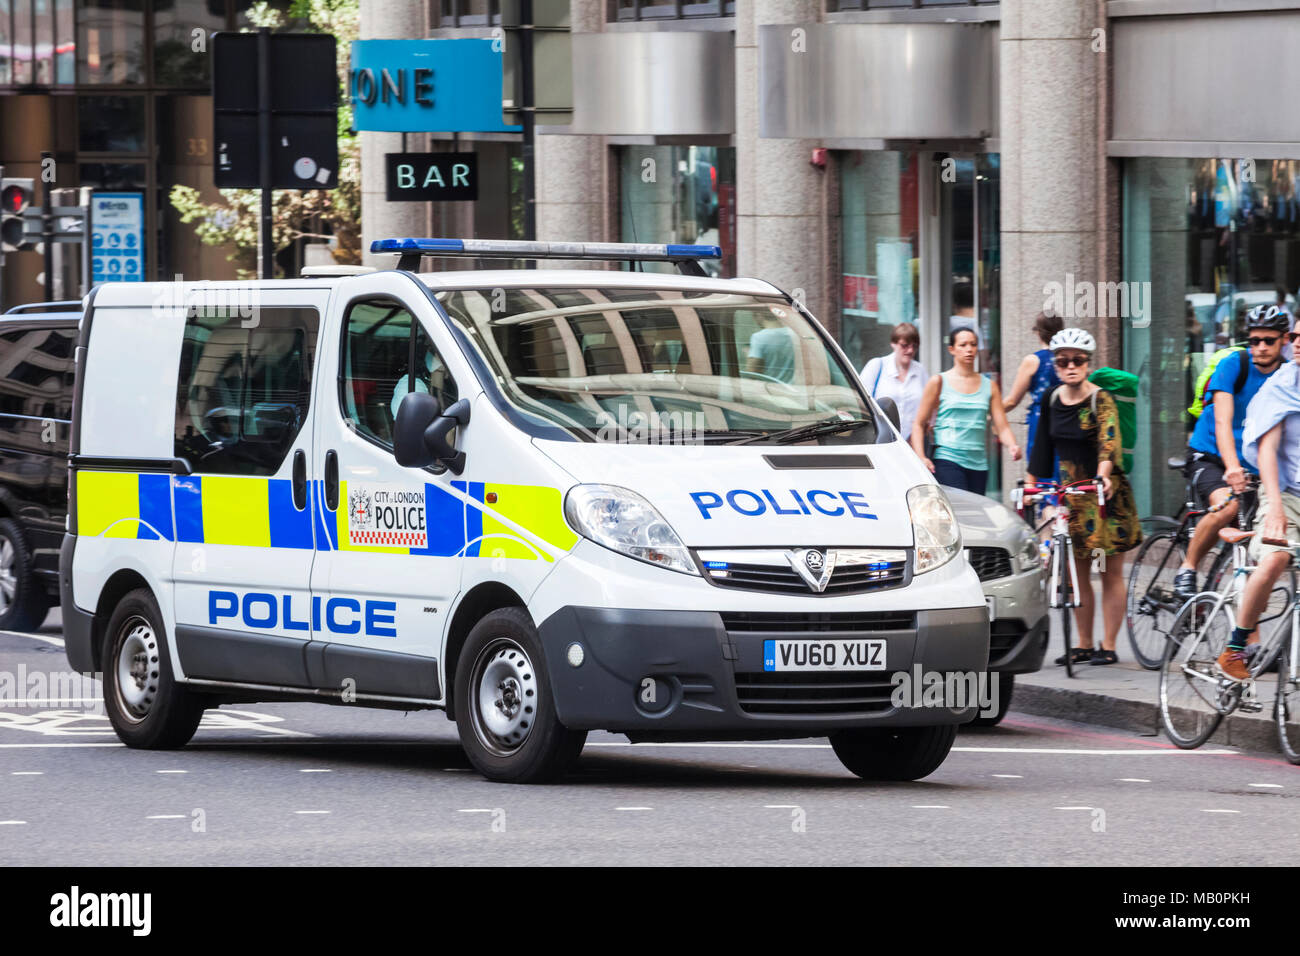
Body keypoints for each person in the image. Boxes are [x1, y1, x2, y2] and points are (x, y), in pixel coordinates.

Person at [1026, 328, 1143, 665]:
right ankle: (1083, 643)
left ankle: (1108, 645)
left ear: (1088, 364)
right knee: (1077, 574)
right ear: (1056, 364)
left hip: (1105, 498)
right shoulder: (1051, 398)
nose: (1071, 366)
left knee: (1107, 571)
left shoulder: (1099, 399)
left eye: (1078, 360)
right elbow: (1042, 449)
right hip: (1071, 500)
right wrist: (1030, 485)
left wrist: (1103, 477)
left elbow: (1110, 442)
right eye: (1063, 361)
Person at [1173, 304, 1288, 599]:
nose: (1260, 347)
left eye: (1269, 341)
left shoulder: (1289, 374)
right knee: (1228, 506)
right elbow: (1223, 422)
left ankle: (1247, 641)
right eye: (1254, 340)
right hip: (1211, 454)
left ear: (1284, 340)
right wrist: (1232, 467)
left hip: (1255, 464)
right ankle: (1188, 567)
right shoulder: (1235, 364)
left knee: (1257, 543)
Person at [1234, 320, 1300, 679]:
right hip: (1285, 492)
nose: (1298, 344)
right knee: (1275, 558)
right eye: (1295, 337)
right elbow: (1267, 451)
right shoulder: (1281, 387)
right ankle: (1236, 645)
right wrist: (1274, 507)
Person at [910, 327, 1020, 495]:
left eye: (973, 344)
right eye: (963, 345)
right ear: (951, 349)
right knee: (960, 511)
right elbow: (918, 423)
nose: (969, 349)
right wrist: (921, 457)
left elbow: (1002, 426)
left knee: (974, 516)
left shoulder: (989, 386)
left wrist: (1012, 445)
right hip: (947, 457)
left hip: (979, 463)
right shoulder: (938, 381)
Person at [1002, 310, 1064, 467]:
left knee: (1040, 472)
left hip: (1041, 421)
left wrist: (990, 411)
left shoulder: (1033, 361)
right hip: (1067, 419)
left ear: (1038, 332)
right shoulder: (1069, 359)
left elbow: (1012, 401)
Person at [860, 322, 926, 441]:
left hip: (913, 443)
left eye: (914, 346)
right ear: (893, 344)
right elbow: (861, 402)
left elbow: (929, 409)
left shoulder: (920, 370)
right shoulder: (877, 365)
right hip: (882, 440)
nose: (910, 350)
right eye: (905, 345)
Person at [746, 307, 796, 382]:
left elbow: (753, 371)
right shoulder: (794, 334)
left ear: (759, 315)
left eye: (754, 316)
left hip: (770, 389)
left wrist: (749, 355)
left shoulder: (759, 337)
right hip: (793, 389)